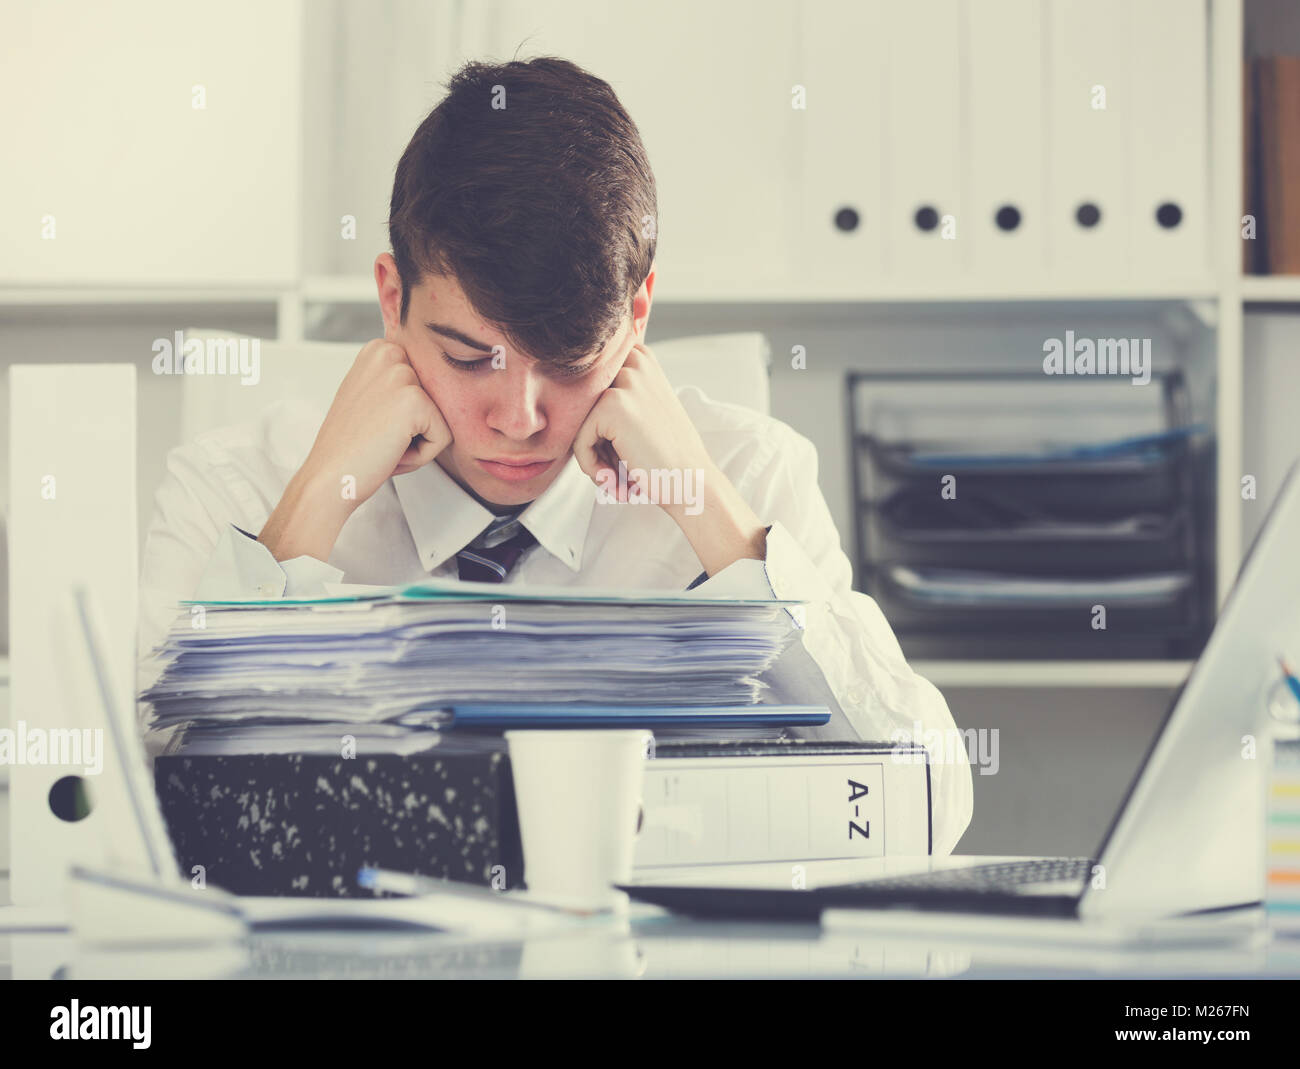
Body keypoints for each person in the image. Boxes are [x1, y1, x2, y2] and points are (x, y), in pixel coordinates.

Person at [139, 56, 973, 854]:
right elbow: (123, 811)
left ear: (637, 312)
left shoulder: (751, 477)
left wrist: (718, 524)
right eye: (469, 356)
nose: (519, 418)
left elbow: (932, 804)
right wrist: (317, 500)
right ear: (392, 300)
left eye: (570, 363)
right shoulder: (234, 485)